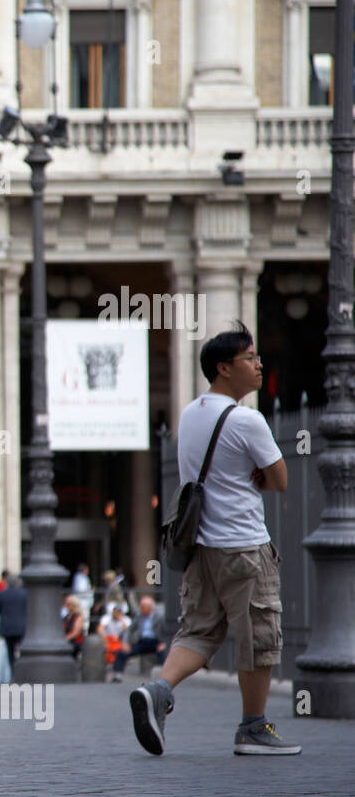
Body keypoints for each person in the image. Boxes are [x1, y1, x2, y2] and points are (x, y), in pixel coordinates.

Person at [131, 323, 298, 756]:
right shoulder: (247, 419)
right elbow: (280, 479)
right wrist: (255, 474)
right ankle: (253, 728)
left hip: (200, 547)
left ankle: (159, 689)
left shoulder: (190, 414)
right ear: (224, 368)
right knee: (259, 637)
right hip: (243, 545)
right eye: (250, 358)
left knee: (200, 631)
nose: (260, 365)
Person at [113, 595, 167, 683]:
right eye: (141, 607)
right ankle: (118, 675)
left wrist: (164, 643)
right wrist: (125, 642)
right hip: (142, 642)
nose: (141, 609)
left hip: (156, 642)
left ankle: (163, 676)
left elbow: (166, 631)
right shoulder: (139, 615)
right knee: (122, 652)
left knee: (163, 653)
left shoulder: (159, 616)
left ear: (150, 608)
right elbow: (130, 629)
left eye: (143, 607)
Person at [0, 575, 27, 665]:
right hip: (21, 626)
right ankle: (22, 670)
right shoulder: (24, 593)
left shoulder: (1, 594)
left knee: (10, 652)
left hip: (7, 627)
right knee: (23, 651)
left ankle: (13, 673)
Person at [98, 604, 132, 677]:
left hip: (120, 641)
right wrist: (106, 639)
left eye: (118, 612)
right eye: (115, 612)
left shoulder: (126, 620)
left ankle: (117, 670)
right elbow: (100, 629)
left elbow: (127, 632)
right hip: (109, 639)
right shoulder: (107, 618)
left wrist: (121, 619)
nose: (116, 614)